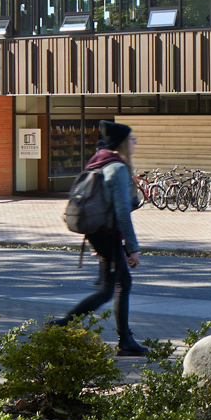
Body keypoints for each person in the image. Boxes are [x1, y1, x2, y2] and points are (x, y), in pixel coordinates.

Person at [53, 121, 145, 356]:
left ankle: (125, 340)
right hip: (107, 234)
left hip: (99, 233)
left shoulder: (98, 161)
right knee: (108, 289)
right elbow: (122, 213)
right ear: (122, 142)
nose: (135, 142)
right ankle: (63, 324)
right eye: (131, 138)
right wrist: (132, 247)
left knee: (122, 284)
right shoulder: (117, 168)